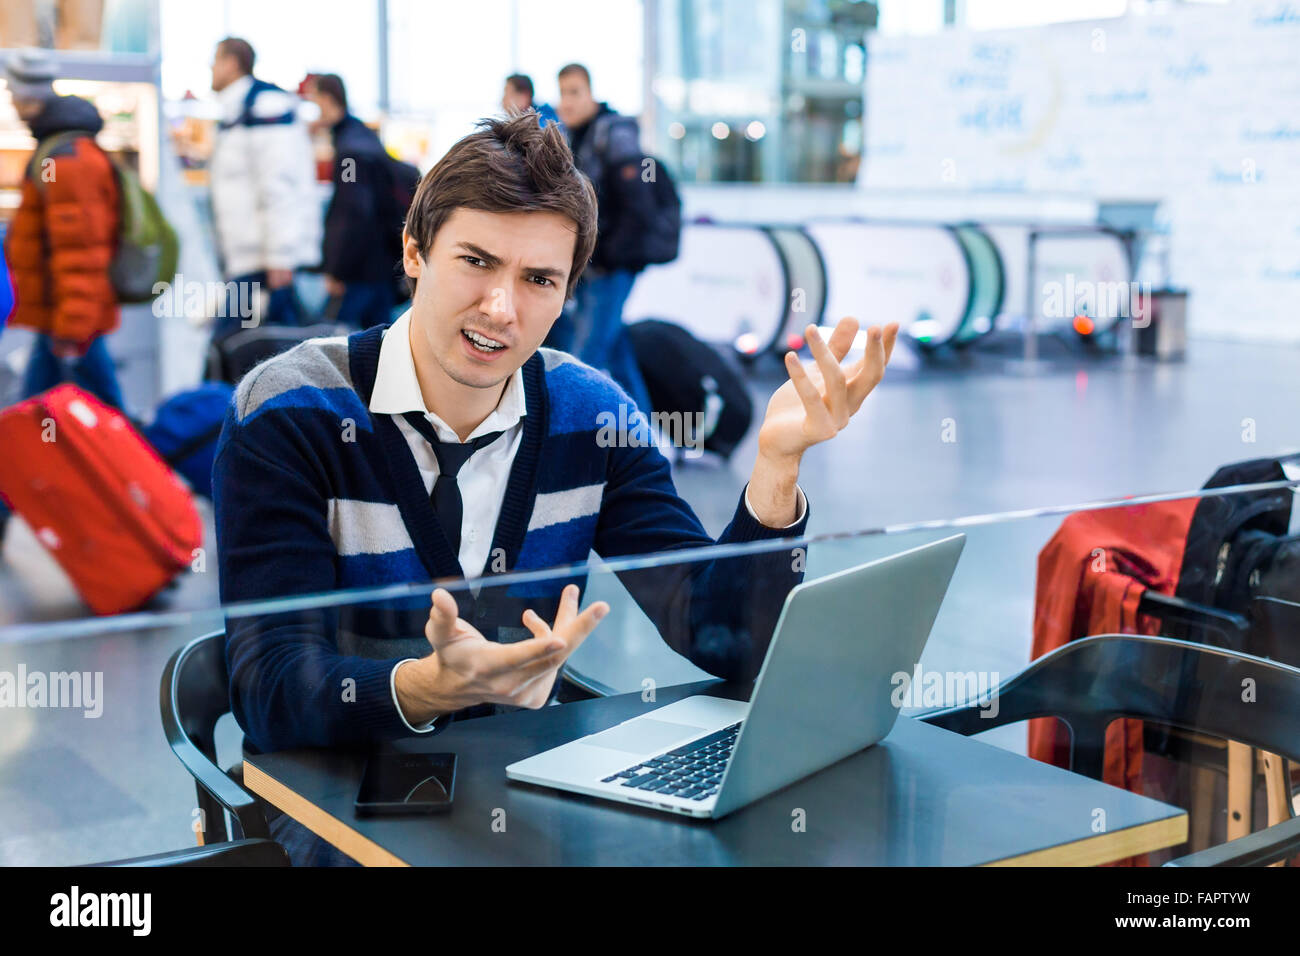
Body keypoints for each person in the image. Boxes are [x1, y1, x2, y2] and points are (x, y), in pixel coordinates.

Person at [211, 113, 898, 864]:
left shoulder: (589, 414)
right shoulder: (290, 409)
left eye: (539, 279)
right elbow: (271, 690)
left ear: (569, 290)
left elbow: (723, 636)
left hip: (520, 777)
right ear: (414, 251)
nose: (501, 308)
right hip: (335, 790)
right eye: (476, 262)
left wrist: (775, 468)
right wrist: (428, 687)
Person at [0, 49, 124, 544]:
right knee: (48, 421)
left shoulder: (65, 160)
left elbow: (82, 255)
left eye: (11, 92)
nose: (10, 100)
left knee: (99, 423)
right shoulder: (59, 150)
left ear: (27, 97)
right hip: (62, 323)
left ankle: (145, 512)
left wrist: (71, 331)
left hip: (69, 325)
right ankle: (141, 509)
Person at [553, 62, 653, 412]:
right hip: (592, 264)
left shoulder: (614, 134)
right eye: (563, 93)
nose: (567, 101)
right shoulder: (573, 136)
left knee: (585, 358)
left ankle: (566, 437)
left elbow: (638, 203)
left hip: (610, 265)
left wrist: (610, 255)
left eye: (575, 92)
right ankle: (645, 432)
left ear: (592, 94)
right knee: (616, 353)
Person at [207, 37, 320, 340]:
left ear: (232, 64)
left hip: (262, 263)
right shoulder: (237, 111)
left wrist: (280, 256)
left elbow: (279, 184)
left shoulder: (264, 107)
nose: (211, 68)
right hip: (250, 260)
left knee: (232, 347)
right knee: (264, 349)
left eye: (215, 61)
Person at [305, 73, 398, 329]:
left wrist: (337, 269)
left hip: (360, 269)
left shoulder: (350, 153)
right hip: (380, 261)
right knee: (382, 336)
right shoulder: (362, 137)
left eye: (315, 104)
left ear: (326, 100)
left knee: (327, 332)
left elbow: (353, 208)